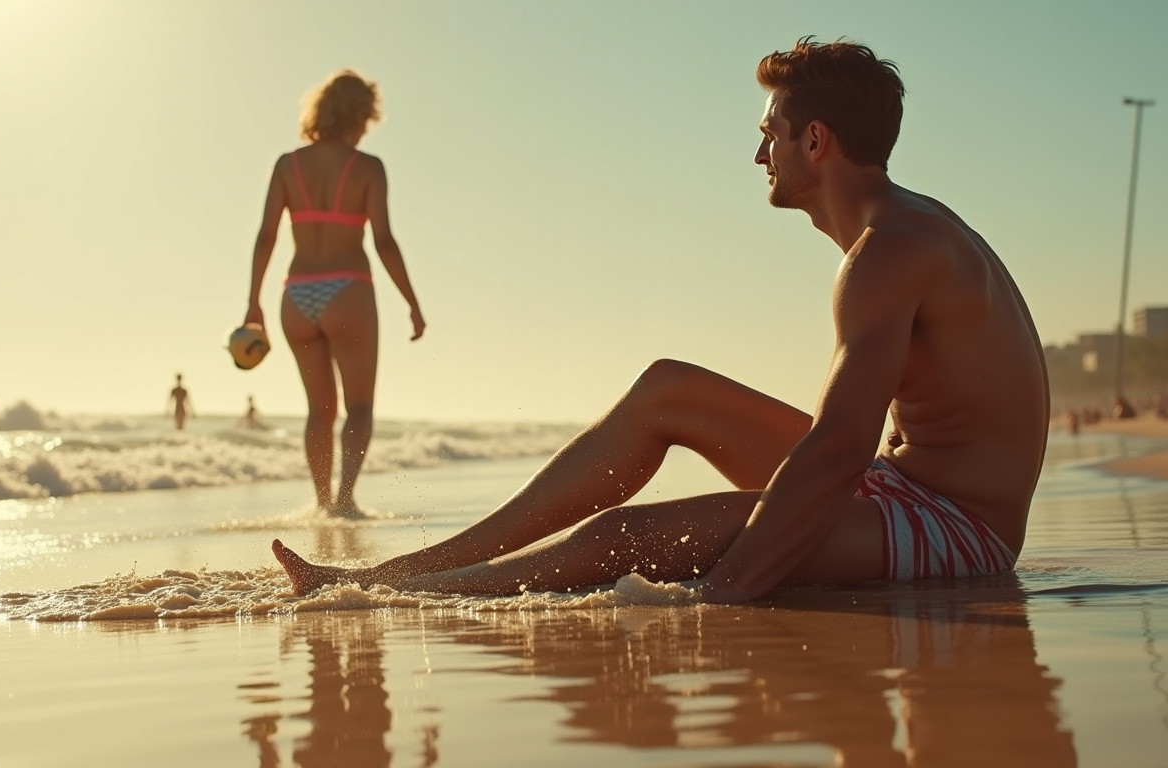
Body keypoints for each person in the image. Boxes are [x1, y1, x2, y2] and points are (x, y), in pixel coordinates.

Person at [272, 38, 1050, 602]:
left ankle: (414, 595)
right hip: (901, 490)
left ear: (815, 141)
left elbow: (840, 448)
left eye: (769, 135)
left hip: (955, 533)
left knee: (625, 539)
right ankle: (403, 574)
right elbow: (846, 451)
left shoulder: (890, 250)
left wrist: (728, 588)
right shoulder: (906, 230)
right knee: (666, 387)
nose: (760, 157)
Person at [243, 69, 426, 516]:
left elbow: (266, 236)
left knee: (318, 410)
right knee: (359, 406)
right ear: (359, 114)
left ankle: (321, 503)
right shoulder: (368, 168)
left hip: (296, 296)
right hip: (348, 290)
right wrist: (412, 302)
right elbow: (384, 241)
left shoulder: (287, 165)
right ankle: (344, 502)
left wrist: (253, 302)